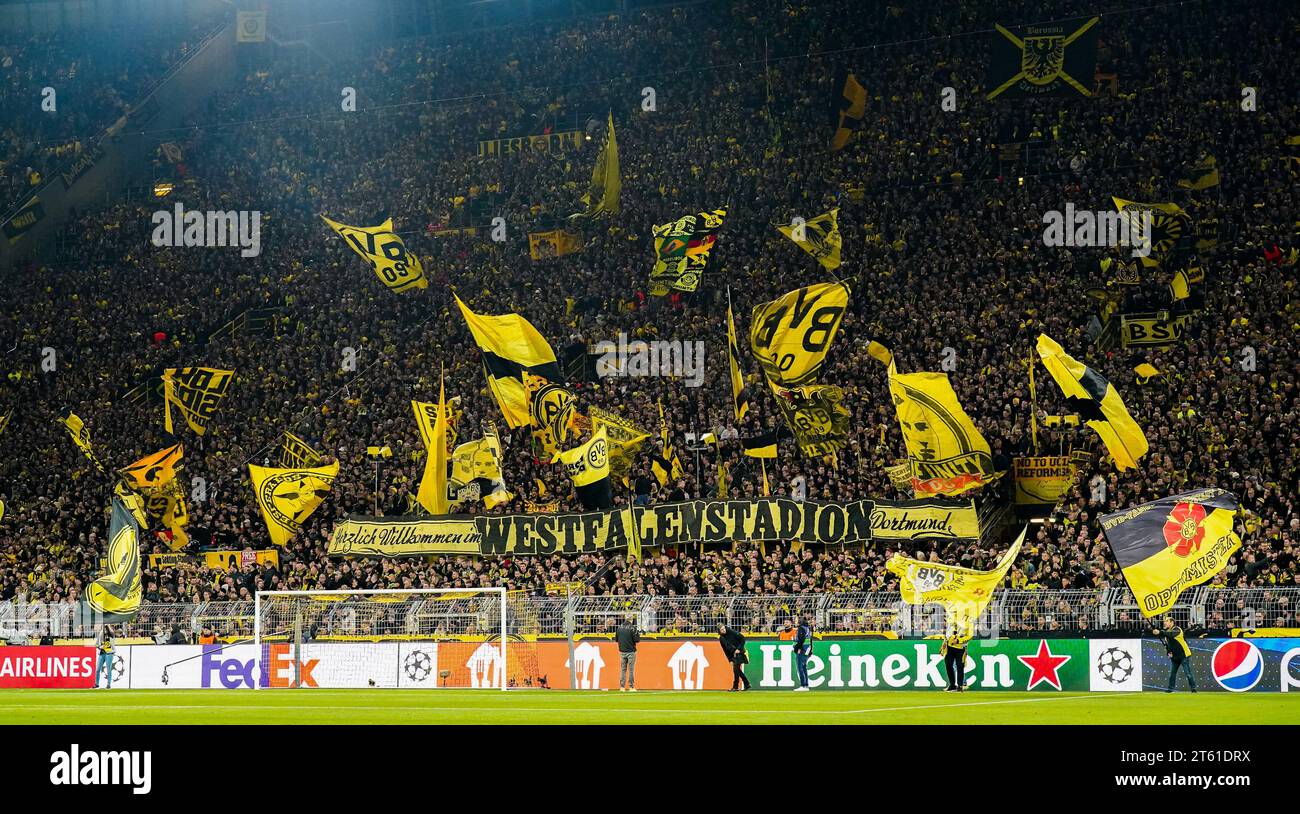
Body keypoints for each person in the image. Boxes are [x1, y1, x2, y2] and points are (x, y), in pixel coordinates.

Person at [1151, 615, 1197, 693]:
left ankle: (1193, 689)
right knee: (1172, 674)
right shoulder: (1167, 633)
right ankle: (1170, 689)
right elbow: (1168, 645)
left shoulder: (1177, 630)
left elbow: (1171, 634)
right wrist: (1168, 652)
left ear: (1172, 622)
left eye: (1166, 621)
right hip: (1174, 657)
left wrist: (1159, 632)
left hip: (1184, 655)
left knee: (1188, 673)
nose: (1164, 623)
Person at [718, 624, 750, 691]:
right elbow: (725, 650)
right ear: (719, 631)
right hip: (733, 655)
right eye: (722, 630)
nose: (724, 630)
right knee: (737, 670)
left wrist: (739, 649)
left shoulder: (732, 632)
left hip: (740, 652)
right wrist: (730, 660)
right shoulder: (721, 639)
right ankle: (747, 684)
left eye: (724, 628)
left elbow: (742, 638)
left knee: (736, 669)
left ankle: (735, 687)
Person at [615, 615, 640, 691]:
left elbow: (616, 639)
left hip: (622, 651)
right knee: (631, 669)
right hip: (631, 651)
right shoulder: (632, 628)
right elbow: (637, 640)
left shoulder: (619, 627)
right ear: (631, 620)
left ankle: (622, 687)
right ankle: (631, 686)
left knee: (623, 669)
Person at [792, 615, 812, 691]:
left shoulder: (801, 628)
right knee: (804, 668)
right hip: (806, 649)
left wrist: (797, 648)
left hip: (802, 650)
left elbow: (801, 640)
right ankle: (806, 685)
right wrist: (810, 650)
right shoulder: (807, 628)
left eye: (796, 620)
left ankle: (803, 685)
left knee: (800, 667)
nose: (795, 621)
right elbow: (810, 640)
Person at [93, 625, 115, 689]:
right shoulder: (100, 636)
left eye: (105, 629)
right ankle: (96, 683)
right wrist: (100, 646)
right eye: (103, 629)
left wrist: (105, 646)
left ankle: (108, 684)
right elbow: (96, 644)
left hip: (109, 653)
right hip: (102, 653)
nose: (104, 631)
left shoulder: (111, 635)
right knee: (97, 669)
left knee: (108, 669)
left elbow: (112, 644)